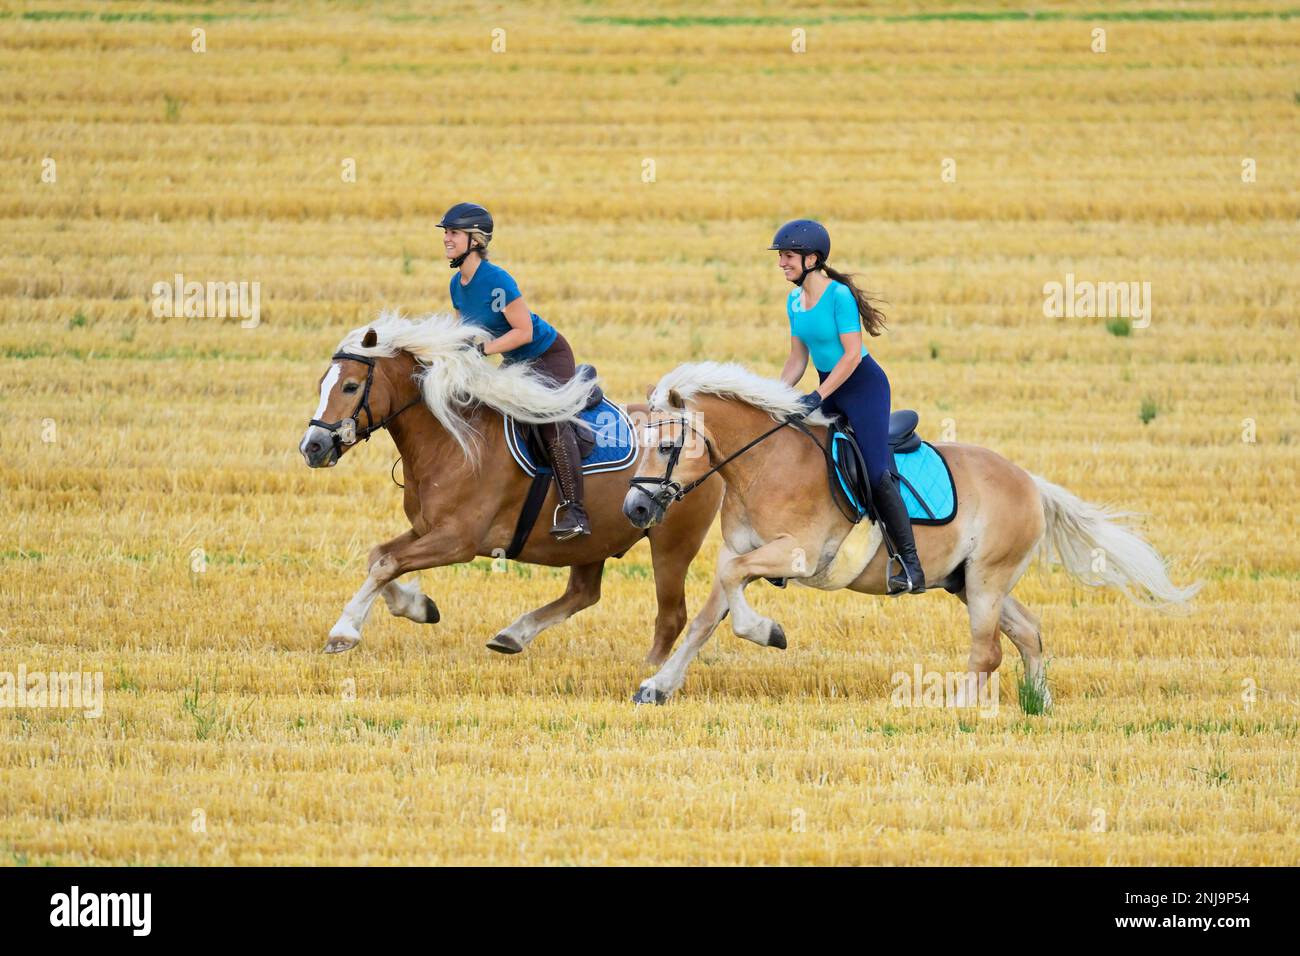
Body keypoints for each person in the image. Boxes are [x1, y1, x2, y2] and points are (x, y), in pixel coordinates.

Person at [772, 218, 925, 594]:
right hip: (830, 386)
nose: (782, 264)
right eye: (781, 258)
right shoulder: (794, 300)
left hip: (863, 388)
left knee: (874, 473)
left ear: (811, 258)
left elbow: (853, 356)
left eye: (788, 257)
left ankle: (911, 565)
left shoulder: (839, 296)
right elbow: (797, 361)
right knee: (800, 453)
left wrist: (818, 396)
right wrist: (772, 397)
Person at [438, 202, 590, 540]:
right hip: (516, 361)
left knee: (547, 418)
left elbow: (525, 332)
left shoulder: (497, 280)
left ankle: (575, 510)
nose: (446, 238)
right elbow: (460, 329)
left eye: (453, 233)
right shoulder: (456, 284)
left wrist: (482, 350)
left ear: (474, 240)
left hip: (548, 355)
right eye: (446, 232)